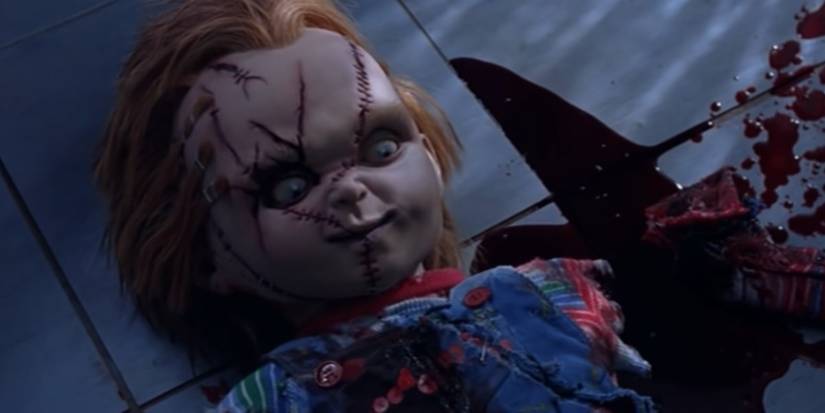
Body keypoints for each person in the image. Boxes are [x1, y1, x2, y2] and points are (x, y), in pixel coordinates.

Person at [94, 0, 655, 411]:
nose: (350, 189)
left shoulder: (545, 294)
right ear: (204, 256)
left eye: (382, 147)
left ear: (428, 152)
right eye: (286, 187)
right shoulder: (272, 400)